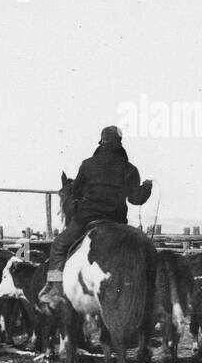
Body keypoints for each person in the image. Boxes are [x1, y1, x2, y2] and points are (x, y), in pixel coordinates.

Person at [39, 125, 152, 307]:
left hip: (87, 220)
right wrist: (147, 187)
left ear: (101, 142)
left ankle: (55, 289)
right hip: (117, 222)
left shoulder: (87, 164)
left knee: (59, 245)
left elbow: (75, 194)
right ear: (119, 143)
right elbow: (136, 199)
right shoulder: (130, 169)